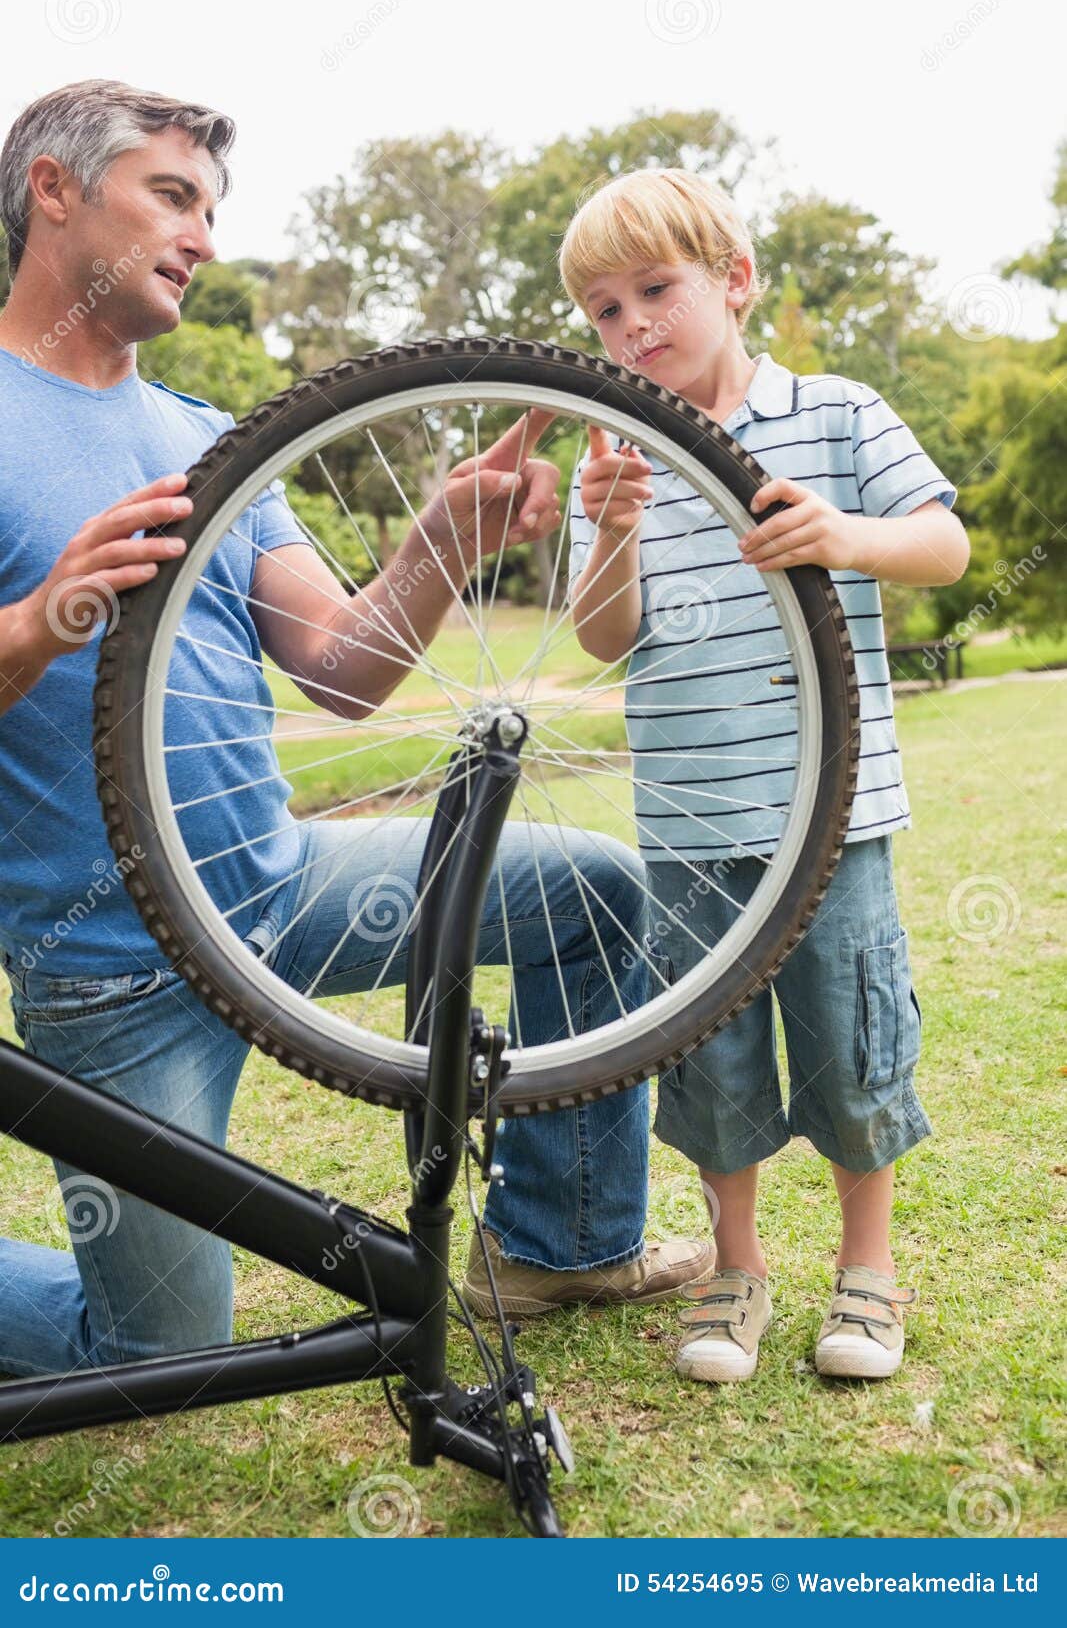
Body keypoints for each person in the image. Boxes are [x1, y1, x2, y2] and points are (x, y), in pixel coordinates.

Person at [0, 83, 713, 1376]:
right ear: (53, 188)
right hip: (110, 970)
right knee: (169, 1351)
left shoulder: (208, 437)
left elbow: (340, 665)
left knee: (594, 889)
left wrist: (442, 534)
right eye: (172, 196)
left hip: (277, 891)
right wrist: (45, 617)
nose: (203, 235)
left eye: (211, 209)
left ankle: (563, 1242)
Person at [560, 168, 969, 1382]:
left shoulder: (834, 412)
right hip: (687, 822)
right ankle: (735, 1267)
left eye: (653, 291)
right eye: (600, 312)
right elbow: (598, 634)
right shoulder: (622, 458)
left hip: (833, 815)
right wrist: (615, 526)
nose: (630, 327)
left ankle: (867, 1269)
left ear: (733, 283)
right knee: (708, 1055)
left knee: (849, 1041)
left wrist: (842, 535)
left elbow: (941, 544)